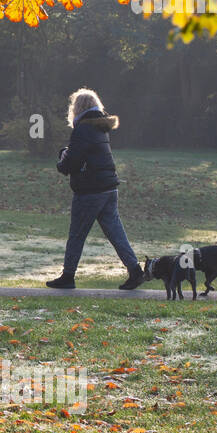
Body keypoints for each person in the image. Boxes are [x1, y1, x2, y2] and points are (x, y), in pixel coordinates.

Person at [46, 88, 143, 290]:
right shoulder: (99, 127)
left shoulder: (82, 129)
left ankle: (68, 276)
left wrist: (62, 162)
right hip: (108, 188)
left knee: (77, 234)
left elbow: (72, 163)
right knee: (116, 233)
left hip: (90, 190)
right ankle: (135, 270)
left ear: (77, 108)